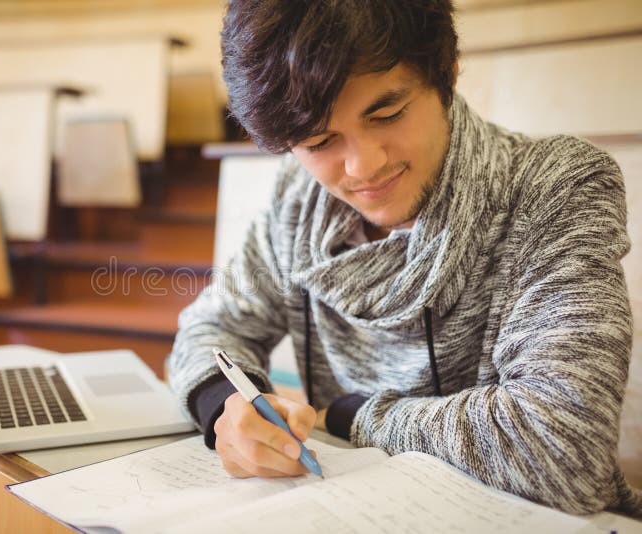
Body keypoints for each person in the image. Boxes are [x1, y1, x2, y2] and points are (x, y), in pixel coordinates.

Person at [166, 0, 641, 517]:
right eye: (320, 141)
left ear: (447, 73)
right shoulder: (298, 203)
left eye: (387, 113)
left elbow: (565, 453)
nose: (363, 166)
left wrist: (351, 418)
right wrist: (229, 406)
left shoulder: (555, 186)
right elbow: (211, 327)